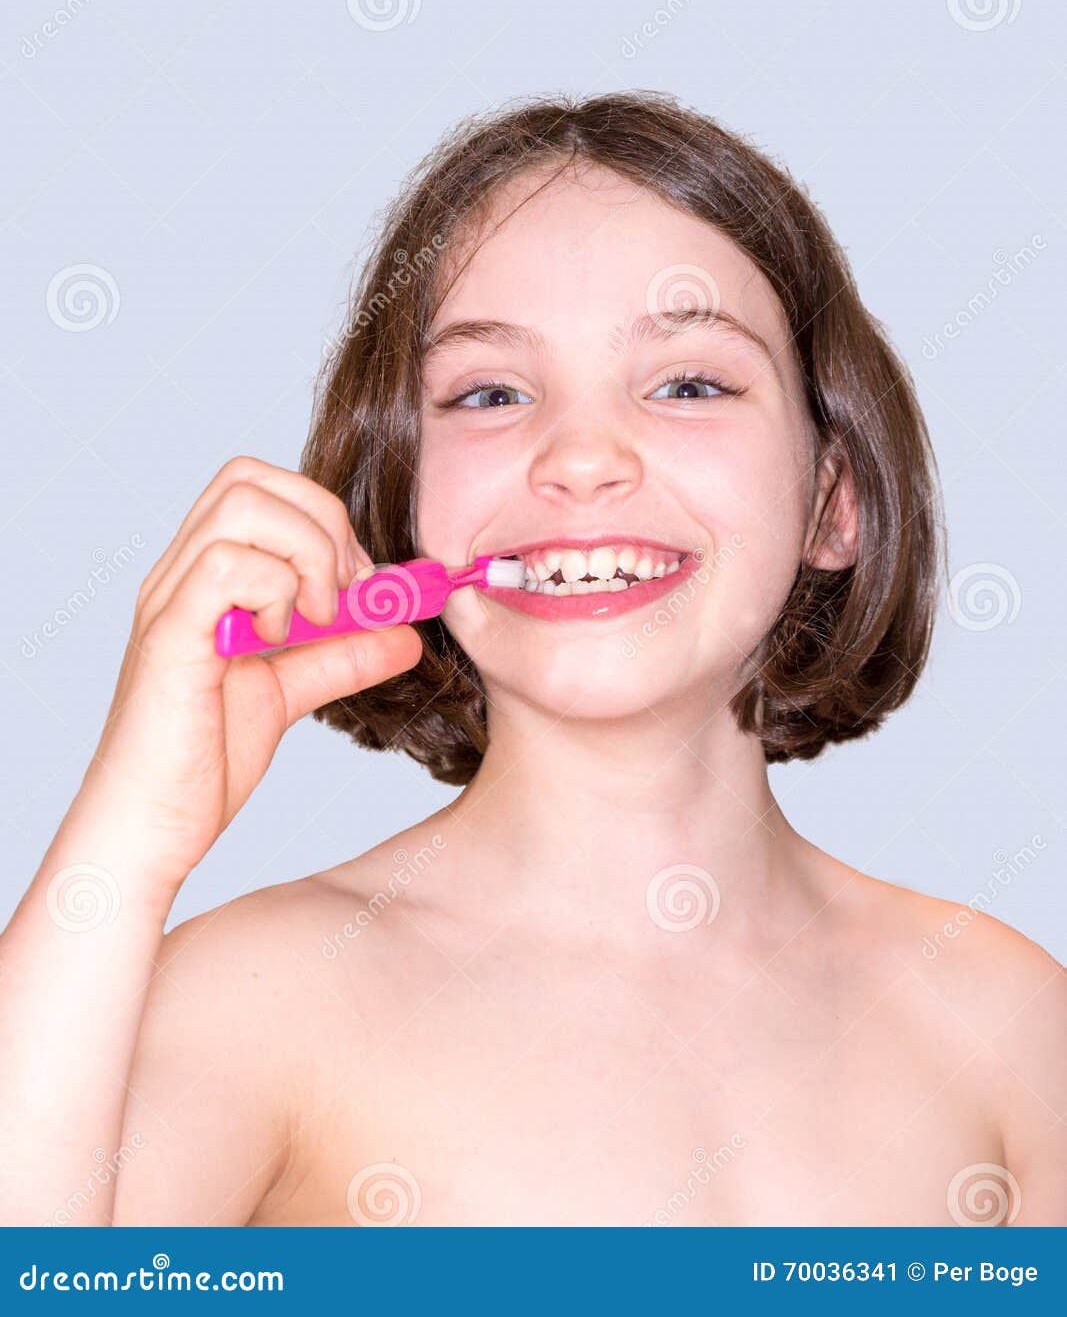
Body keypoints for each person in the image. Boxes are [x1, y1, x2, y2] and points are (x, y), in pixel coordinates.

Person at [2, 93, 1063, 1228]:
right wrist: (132, 829)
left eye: (689, 383)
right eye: (490, 394)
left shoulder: (1001, 1017)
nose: (580, 457)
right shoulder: (249, 1005)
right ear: (403, 509)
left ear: (831, 498)